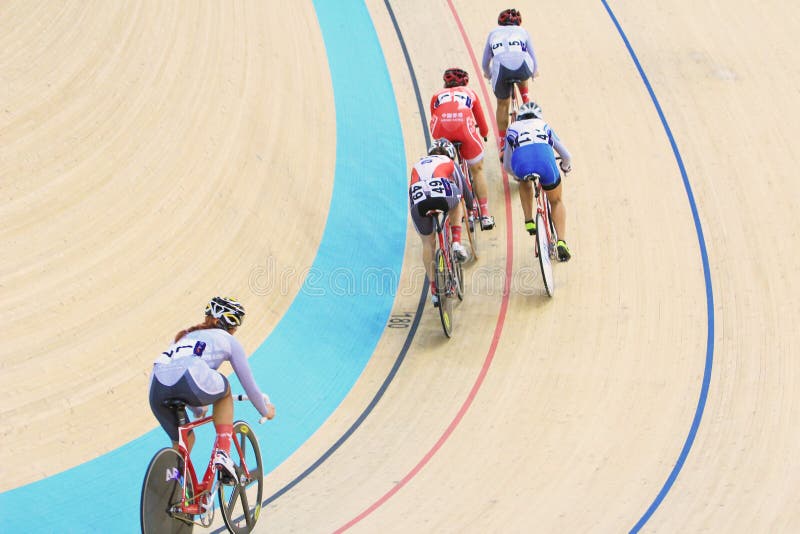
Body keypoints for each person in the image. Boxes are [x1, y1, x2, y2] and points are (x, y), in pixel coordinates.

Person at [148, 296, 276, 482]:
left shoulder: (183, 336)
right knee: (225, 391)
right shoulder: (228, 340)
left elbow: (177, 374)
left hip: (156, 389)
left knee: (185, 441)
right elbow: (250, 386)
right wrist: (265, 410)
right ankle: (223, 453)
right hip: (191, 380)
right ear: (230, 326)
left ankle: (173, 488)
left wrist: (197, 409)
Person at [503, 101, 574, 261]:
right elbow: (567, 156)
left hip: (522, 164)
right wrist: (565, 167)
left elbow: (506, 165)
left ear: (520, 117)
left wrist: (517, 175)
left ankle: (529, 220)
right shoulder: (544, 125)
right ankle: (561, 242)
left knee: (523, 180)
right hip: (545, 163)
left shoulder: (512, 128)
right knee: (556, 201)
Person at [430, 67, 495, 231]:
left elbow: (434, 119)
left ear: (445, 83)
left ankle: (453, 198)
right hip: (465, 131)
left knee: (446, 168)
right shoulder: (470, 93)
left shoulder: (436, 96)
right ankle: (485, 214)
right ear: (465, 83)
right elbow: (482, 123)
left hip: (441, 131)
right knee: (477, 169)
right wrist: (484, 134)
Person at [409, 139, 469, 306]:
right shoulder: (449, 162)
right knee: (457, 201)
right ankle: (456, 243)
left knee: (427, 242)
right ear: (451, 155)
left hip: (418, 201)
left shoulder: (417, 164)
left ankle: (434, 290)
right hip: (442, 195)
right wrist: (470, 208)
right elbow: (465, 190)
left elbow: (411, 196)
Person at [481, 8, 539, 161]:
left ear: (500, 23)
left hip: (501, 71)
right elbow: (533, 57)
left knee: (502, 104)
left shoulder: (493, 33)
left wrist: (488, 74)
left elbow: (485, 62)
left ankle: (502, 143)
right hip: (523, 68)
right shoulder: (523, 32)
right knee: (522, 61)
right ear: (518, 23)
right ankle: (526, 99)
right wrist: (534, 72)